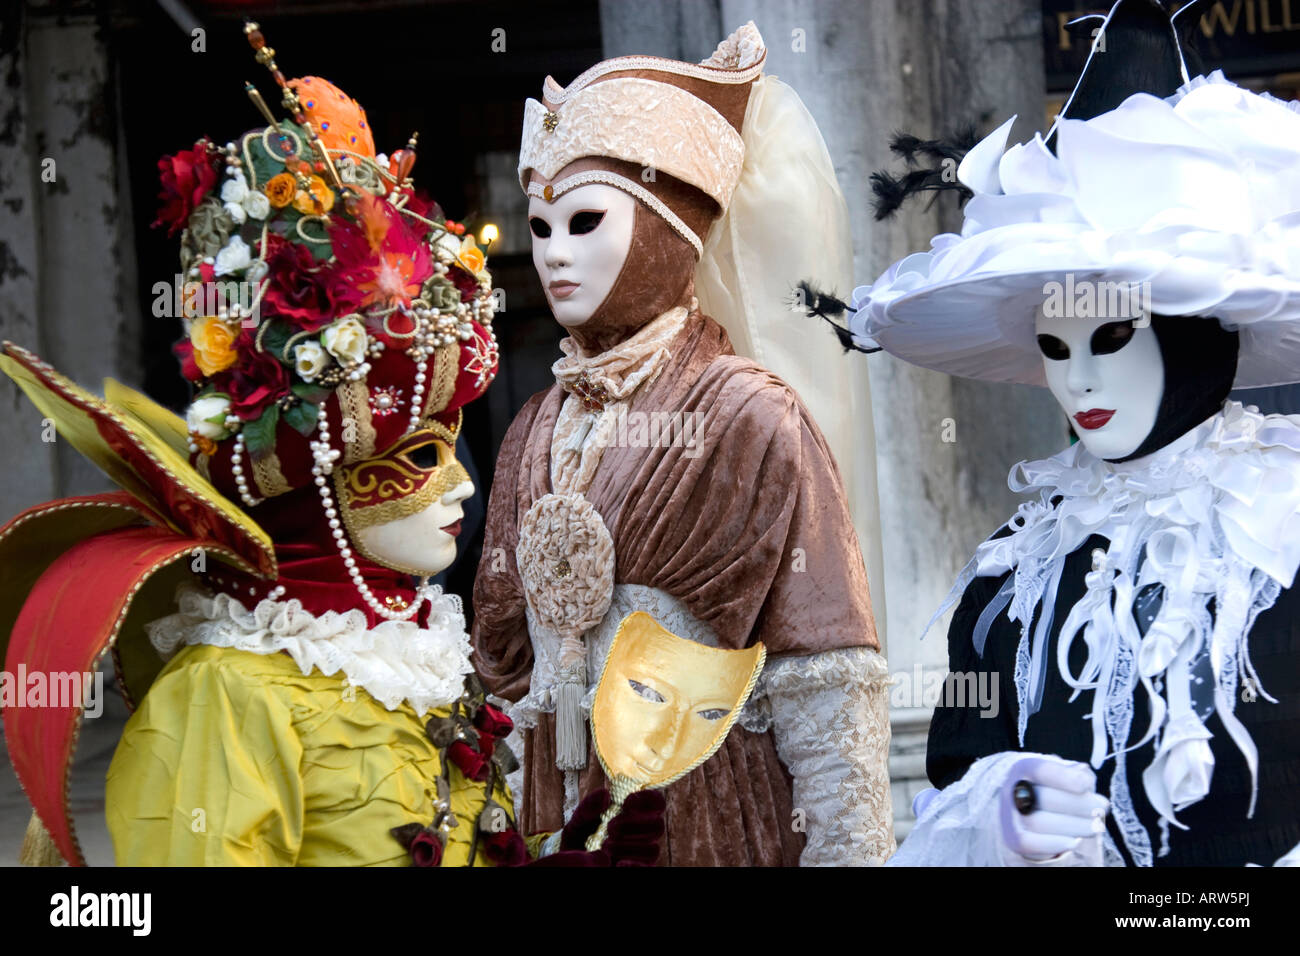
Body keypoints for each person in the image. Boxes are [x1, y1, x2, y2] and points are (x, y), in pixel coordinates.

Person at [0, 22, 660, 868]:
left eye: (449, 448)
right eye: (419, 458)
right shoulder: (228, 693)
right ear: (314, 482)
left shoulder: (417, 651)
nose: (462, 486)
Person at [812, 0, 1300, 867]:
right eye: (1055, 345)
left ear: (1192, 333)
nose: (1077, 379)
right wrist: (992, 819)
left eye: (1112, 335)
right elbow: (957, 779)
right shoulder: (1016, 571)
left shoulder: (1284, 533)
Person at [472, 22, 894, 866]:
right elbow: (507, 680)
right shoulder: (530, 430)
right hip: (562, 832)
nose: (553, 254)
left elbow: (827, 689)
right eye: (542, 225)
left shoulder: (750, 415)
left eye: (585, 219)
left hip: (713, 826)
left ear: (673, 230)